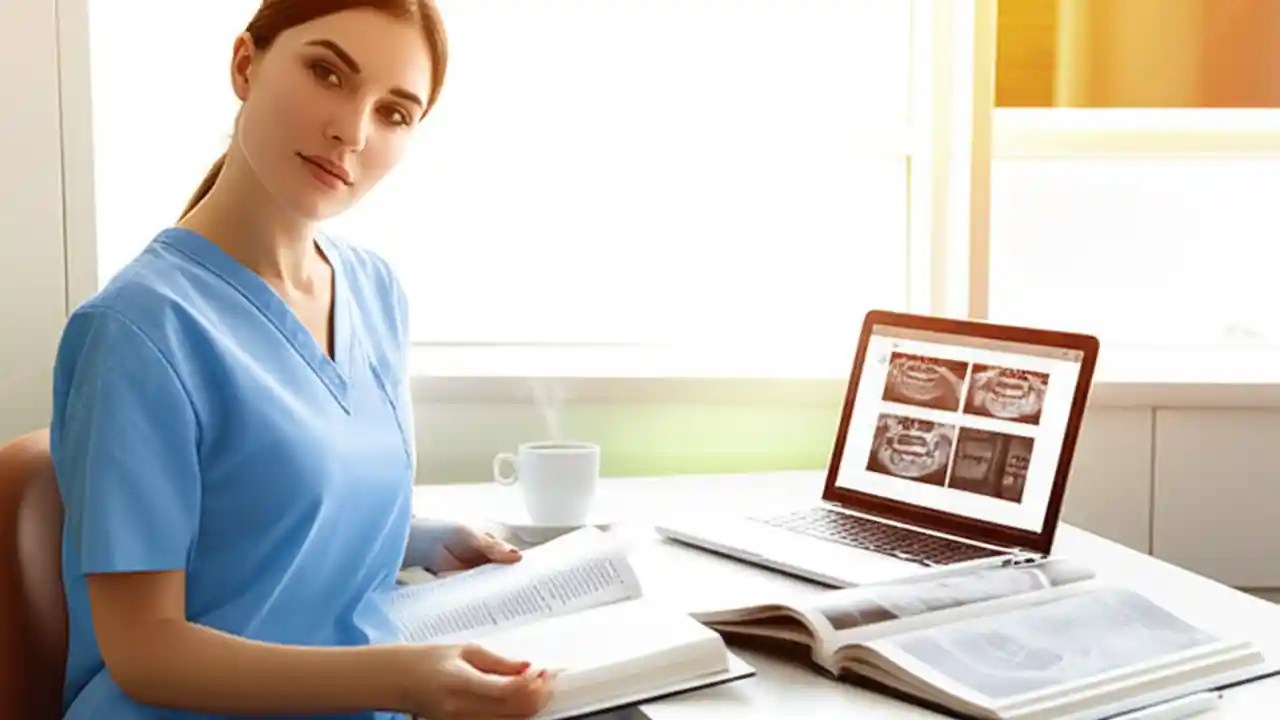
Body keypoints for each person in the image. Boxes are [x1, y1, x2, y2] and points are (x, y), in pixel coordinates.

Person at [48, 2, 556, 718]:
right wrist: (405, 681)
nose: (351, 131)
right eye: (327, 73)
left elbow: (260, 509)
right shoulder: (139, 329)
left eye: (395, 113)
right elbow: (145, 650)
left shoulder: (374, 291)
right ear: (245, 65)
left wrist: (424, 540)